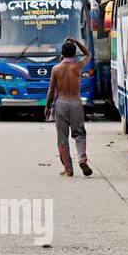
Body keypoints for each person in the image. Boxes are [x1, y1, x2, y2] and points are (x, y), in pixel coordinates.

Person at [45, 35, 92, 176]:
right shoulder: (78, 66)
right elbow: (88, 54)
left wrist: (47, 106)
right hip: (76, 103)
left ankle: (68, 169)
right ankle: (82, 158)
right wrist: (77, 41)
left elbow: (51, 90)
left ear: (62, 54)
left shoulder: (56, 69)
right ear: (73, 53)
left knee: (62, 138)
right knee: (80, 133)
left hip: (61, 104)